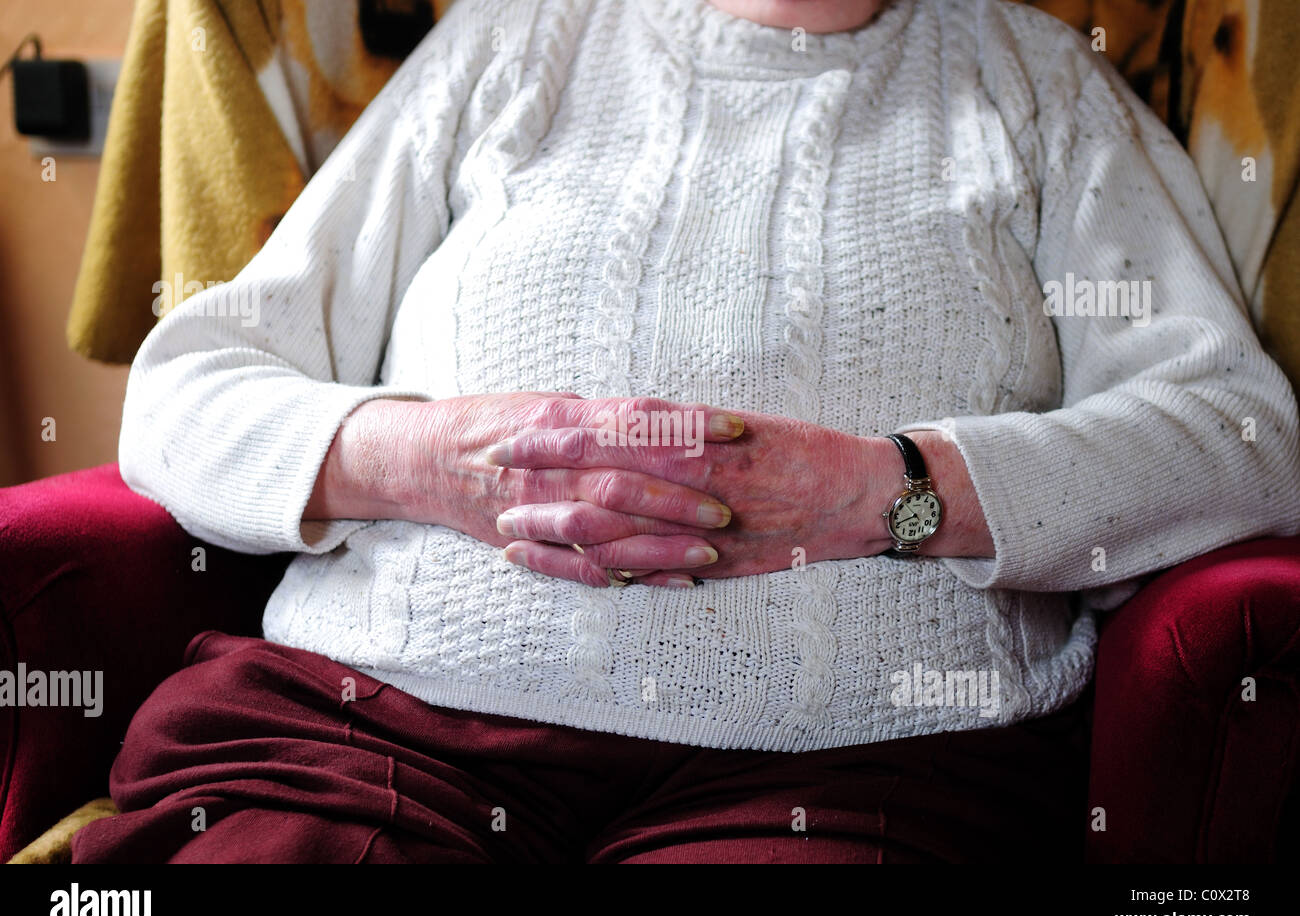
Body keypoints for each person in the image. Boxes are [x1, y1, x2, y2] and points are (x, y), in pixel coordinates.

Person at [72, 0, 1300, 862]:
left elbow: (1236, 435)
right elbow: (188, 393)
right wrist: (427, 462)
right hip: (378, 724)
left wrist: (891, 492)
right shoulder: (508, 42)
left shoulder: (1033, 80)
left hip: (852, 757)